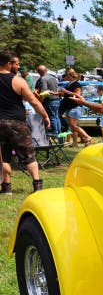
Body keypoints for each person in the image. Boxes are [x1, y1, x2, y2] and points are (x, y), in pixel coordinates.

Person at [0, 51, 50, 193]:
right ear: (9, 64)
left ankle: (7, 188)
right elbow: (34, 101)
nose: (19, 66)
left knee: (3, 156)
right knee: (28, 154)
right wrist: (45, 116)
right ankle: (37, 185)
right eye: (17, 64)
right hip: (17, 123)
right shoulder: (18, 81)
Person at [60, 68, 93, 147]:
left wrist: (66, 91)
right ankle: (74, 143)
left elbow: (78, 94)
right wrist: (54, 93)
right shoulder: (69, 83)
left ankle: (87, 137)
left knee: (73, 126)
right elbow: (65, 93)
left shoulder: (76, 84)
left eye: (66, 74)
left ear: (69, 75)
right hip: (69, 107)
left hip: (75, 107)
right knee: (72, 127)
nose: (64, 76)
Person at [34, 64, 61, 135]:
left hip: (49, 101)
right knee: (56, 117)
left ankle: (54, 132)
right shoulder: (53, 78)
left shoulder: (43, 79)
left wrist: (40, 102)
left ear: (39, 72)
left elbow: (44, 92)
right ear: (46, 70)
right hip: (57, 100)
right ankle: (58, 132)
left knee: (51, 117)